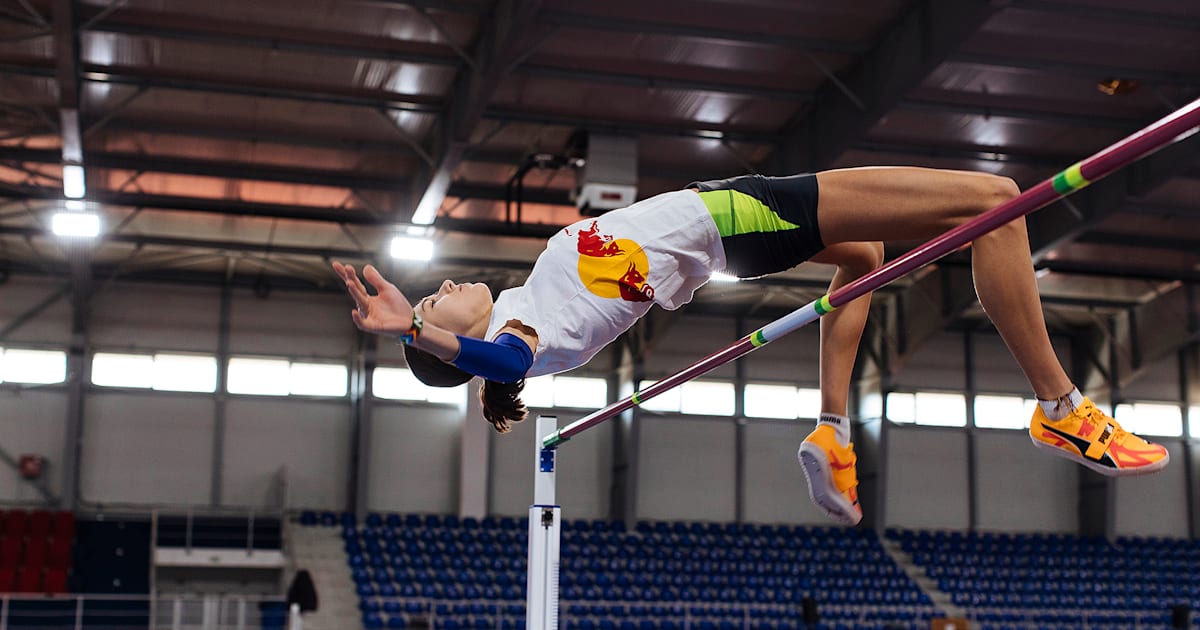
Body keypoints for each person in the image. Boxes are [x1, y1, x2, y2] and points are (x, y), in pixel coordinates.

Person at [334, 168, 1169, 526]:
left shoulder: (529, 311)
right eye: (441, 301)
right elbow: (508, 364)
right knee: (993, 202)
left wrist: (427, 330)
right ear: (455, 342)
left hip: (730, 231)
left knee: (866, 260)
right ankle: (1062, 406)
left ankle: (832, 430)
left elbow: (512, 359)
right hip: (736, 216)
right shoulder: (524, 332)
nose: (444, 289)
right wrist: (412, 328)